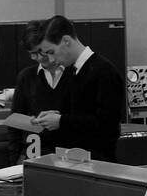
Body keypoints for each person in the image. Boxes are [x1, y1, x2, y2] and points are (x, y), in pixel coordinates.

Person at [31, 15, 125, 161]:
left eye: (51, 52)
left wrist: (62, 121)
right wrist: (55, 115)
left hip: (98, 165)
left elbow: (108, 126)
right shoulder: (73, 71)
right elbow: (80, 113)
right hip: (75, 162)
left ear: (66, 41)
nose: (51, 59)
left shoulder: (104, 72)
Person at [7, 22, 66, 163]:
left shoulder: (73, 74)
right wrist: (14, 159)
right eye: (33, 54)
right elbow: (15, 121)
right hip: (36, 155)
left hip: (69, 155)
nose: (39, 58)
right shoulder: (27, 77)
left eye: (41, 51)